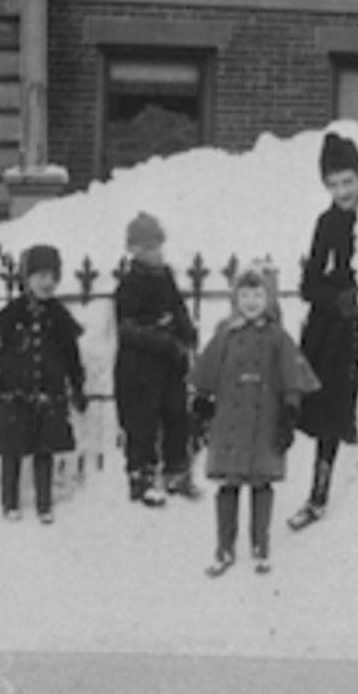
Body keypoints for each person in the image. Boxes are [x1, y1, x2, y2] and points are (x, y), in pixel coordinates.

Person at [191, 263, 320, 576]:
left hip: (265, 422)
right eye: (245, 295)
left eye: (258, 295)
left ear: (269, 298)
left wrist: (289, 413)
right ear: (235, 298)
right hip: (230, 421)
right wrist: (202, 401)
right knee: (229, 483)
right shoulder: (225, 334)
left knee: (262, 483)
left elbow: (291, 378)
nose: (251, 302)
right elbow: (206, 372)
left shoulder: (279, 338)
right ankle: (224, 548)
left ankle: (261, 546)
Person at [289, 132, 358, 531]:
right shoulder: (327, 223)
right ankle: (318, 494)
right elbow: (309, 284)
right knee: (332, 415)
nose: (342, 192)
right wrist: (338, 299)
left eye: (348, 182)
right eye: (333, 184)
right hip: (338, 329)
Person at [0, 244, 86, 524]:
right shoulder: (10, 315)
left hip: (48, 396)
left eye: (52, 277)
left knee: (44, 449)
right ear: (26, 279)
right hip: (12, 396)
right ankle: (9, 501)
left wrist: (77, 386)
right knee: (11, 451)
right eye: (40, 276)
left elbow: (72, 357)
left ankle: (44, 503)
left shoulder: (59, 317)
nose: (47, 283)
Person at [114, 212, 199, 507]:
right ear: (134, 250)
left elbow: (178, 309)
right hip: (140, 369)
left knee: (177, 416)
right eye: (148, 247)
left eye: (157, 246)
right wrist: (161, 338)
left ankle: (177, 471)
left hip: (169, 366)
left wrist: (186, 333)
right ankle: (142, 476)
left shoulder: (165, 278)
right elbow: (127, 329)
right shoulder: (130, 284)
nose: (155, 253)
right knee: (142, 424)